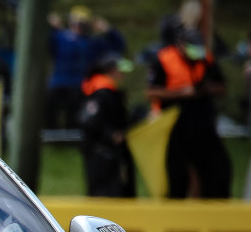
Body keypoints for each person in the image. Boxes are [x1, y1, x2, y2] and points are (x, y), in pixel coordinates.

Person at [147, 27, 231, 199]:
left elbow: (222, 87)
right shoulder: (164, 59)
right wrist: (181, 93)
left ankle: (214, 205)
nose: (196, 51)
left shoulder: (206, 58)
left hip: (203, 123)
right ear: (180, 45)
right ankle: (175, 209)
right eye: (192, 46)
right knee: (177, 173)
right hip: (174, 124)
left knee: (218, 168)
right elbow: (152, 92)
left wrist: (205, 89)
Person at [79, 54, 136, 197]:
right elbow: (91, 120)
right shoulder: (101, 91)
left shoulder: (110, 90)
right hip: (101, 152)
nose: (122, 74)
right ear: (110, 71)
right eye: (120, 70)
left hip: (108, 151)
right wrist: (111, 134)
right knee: (105, 190)